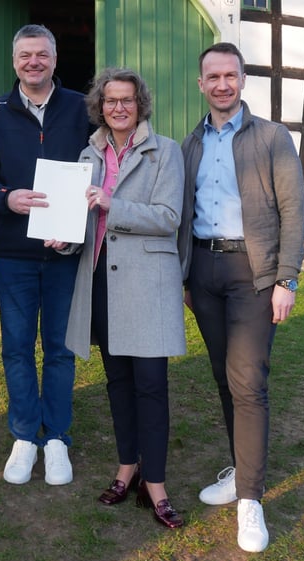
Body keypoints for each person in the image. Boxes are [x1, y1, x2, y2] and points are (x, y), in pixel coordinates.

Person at [178, 42, 304, 552]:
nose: (222, 84)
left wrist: (287, 280)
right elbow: (183, 213)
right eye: (213, 76)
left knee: (248, 380)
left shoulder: (272, 137)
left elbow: (293, 213)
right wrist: (187, 278)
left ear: (243, 80)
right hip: (205, 271)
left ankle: (250, 499)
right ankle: (239, 470)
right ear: (201, 83)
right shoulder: (190, 143)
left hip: (254, 271)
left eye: (230, 75)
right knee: (223, 376)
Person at [56, 68, 186, 529]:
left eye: (127, 100)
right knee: (118, 384)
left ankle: (156, 485)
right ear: (100, 106)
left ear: (140, 104)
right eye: (110, 101)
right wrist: (64, 239)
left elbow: (168, 217)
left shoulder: (164, 151)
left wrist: (113, 204)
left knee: (150, 385)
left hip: (148, 286)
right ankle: (126, 468)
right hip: (101, 284)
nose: (118, 108)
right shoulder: (86, 154)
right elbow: (82, 221)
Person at [0, 24, 92, 486]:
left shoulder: (83, 108)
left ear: (55, 59)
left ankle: (56, 436)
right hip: (13, 252)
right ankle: (24, 435)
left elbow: (99, 167)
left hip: (64, 251)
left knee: (60, 348)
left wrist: (76, 228)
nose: (33, 62)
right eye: (25, 55)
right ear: (14, 61)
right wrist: (5, 197)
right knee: (17, 346)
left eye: (42, 54)